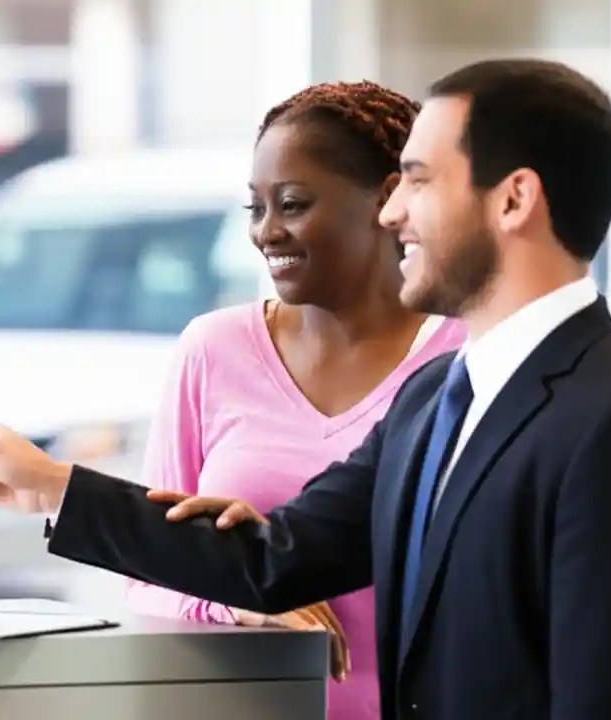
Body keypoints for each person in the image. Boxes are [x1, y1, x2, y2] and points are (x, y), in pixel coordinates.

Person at [0, 58, 611, 720]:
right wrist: (50, 486)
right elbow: (276, 557)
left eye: (421, 182)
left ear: (514, 199)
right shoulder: (435, 398)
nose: (394, 213)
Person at [127, 80, 464, 720]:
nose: (266, 232)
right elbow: (148, 578)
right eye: (255, 208)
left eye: (293, 203)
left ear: (388, 201)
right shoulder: (212, 349)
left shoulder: (466, 361)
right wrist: (235, 600)